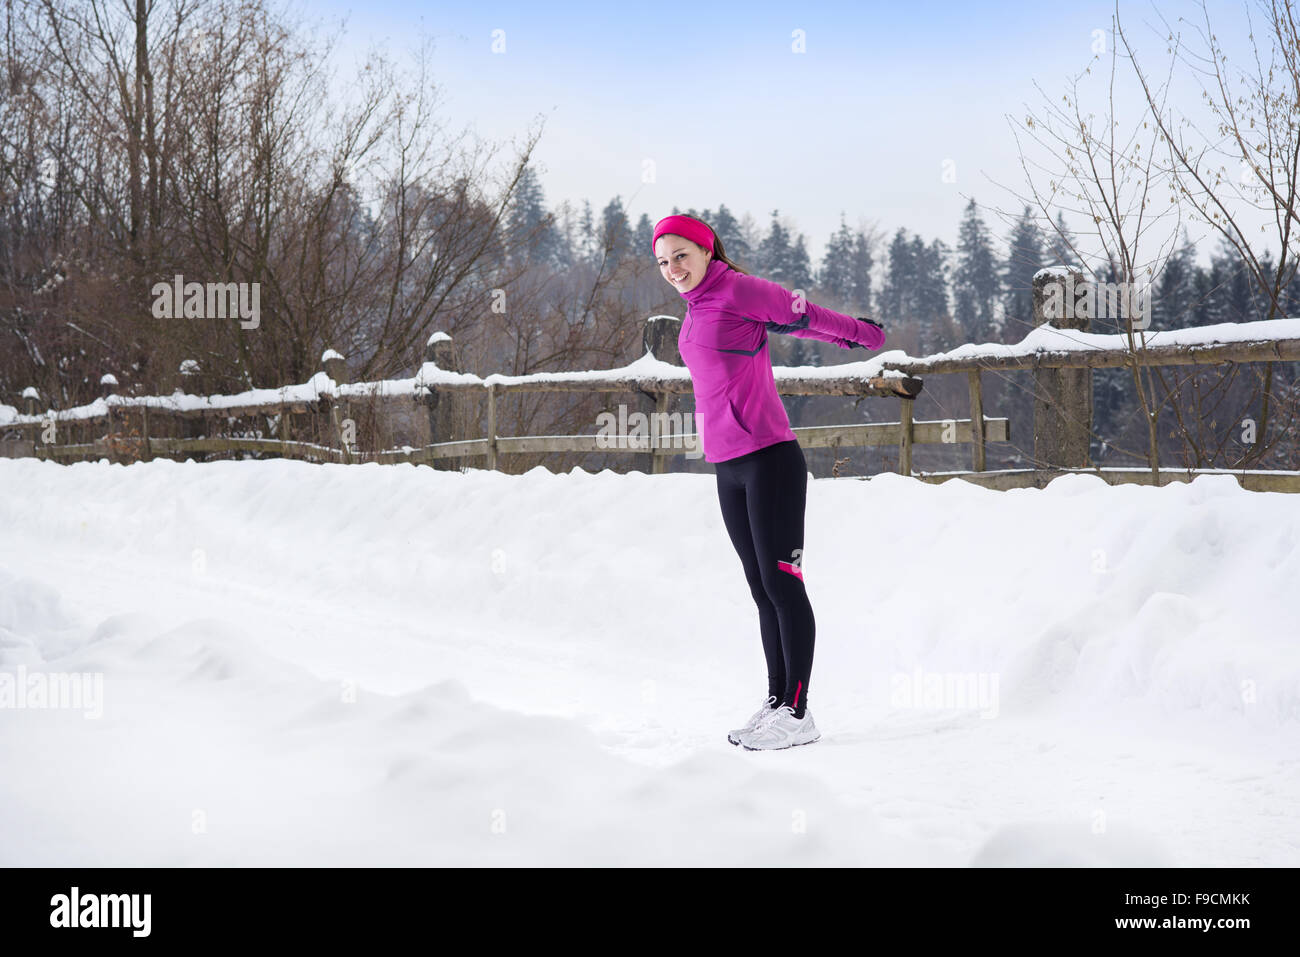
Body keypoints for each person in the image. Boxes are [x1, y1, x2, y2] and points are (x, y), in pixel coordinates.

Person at [651, 213, 886, 750]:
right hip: (727, 464)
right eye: (663, 262)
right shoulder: (694, 308)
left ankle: (799, 713)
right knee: (761, 590)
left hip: (769, 458)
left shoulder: (739, 290)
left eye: (681, 256)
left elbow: (802, 315)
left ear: (707, 250)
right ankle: (778, 700)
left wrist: (860, 334)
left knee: (784, 586)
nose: (673, 269)